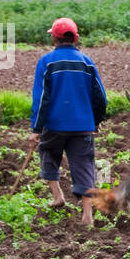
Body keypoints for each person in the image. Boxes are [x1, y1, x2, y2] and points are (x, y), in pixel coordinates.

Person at [30, 17, 107, 227]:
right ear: (77, 38)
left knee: (47, 152)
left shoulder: (47, 62)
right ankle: (87, 216)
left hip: (54, 125)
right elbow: (101, 98)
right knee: (84, 166)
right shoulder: (87, 62)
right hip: (83, 126)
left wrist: (36, 128)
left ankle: (57, 196)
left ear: (54, 39)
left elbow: (41, 98)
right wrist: (96, 121)